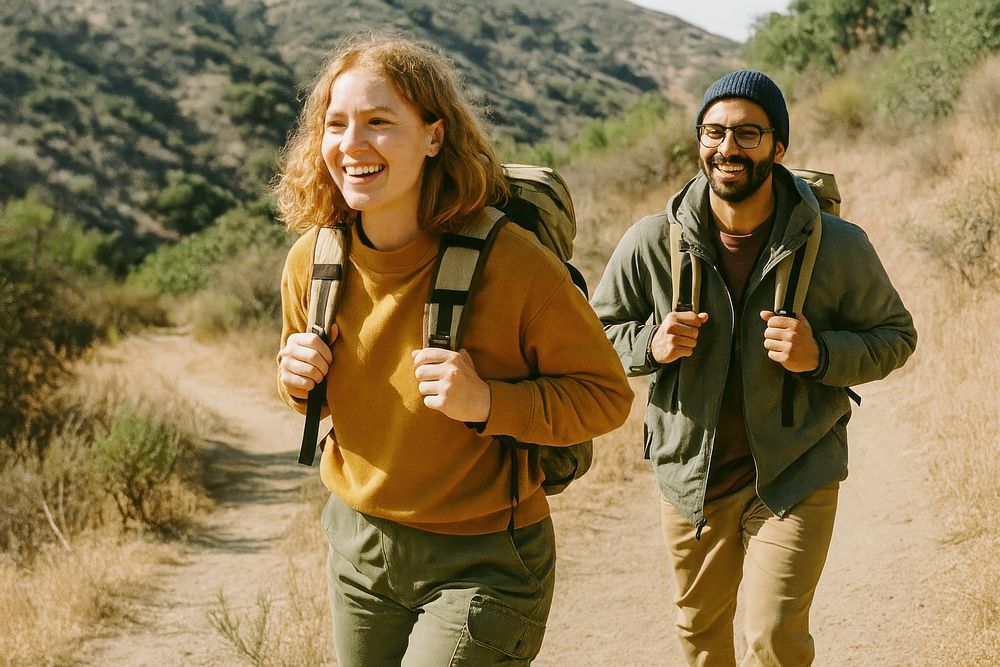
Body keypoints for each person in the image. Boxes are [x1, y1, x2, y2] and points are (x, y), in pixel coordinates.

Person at [273, 33, 633, 666]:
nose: (352, 144)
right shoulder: (313, 261)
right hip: (359, 552)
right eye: (336, 124)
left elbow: (607, 398)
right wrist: (295, 380)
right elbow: (310, 393)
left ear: (433, 136)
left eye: (379, 123)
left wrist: (488, 401)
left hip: (485, 560)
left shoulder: (512, 263)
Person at [591, 69, 917, 665]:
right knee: (698, 636)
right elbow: (594, 339)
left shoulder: (838, 245)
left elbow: (896, 336)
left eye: (748, 134)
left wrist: (821, 354)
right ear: (699, 142)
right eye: (714, 132)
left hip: (796, 471)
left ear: (779, 147)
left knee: (772, 640)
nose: (727, 148)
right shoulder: (649, 242)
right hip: (692, 476)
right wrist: (651, 346)